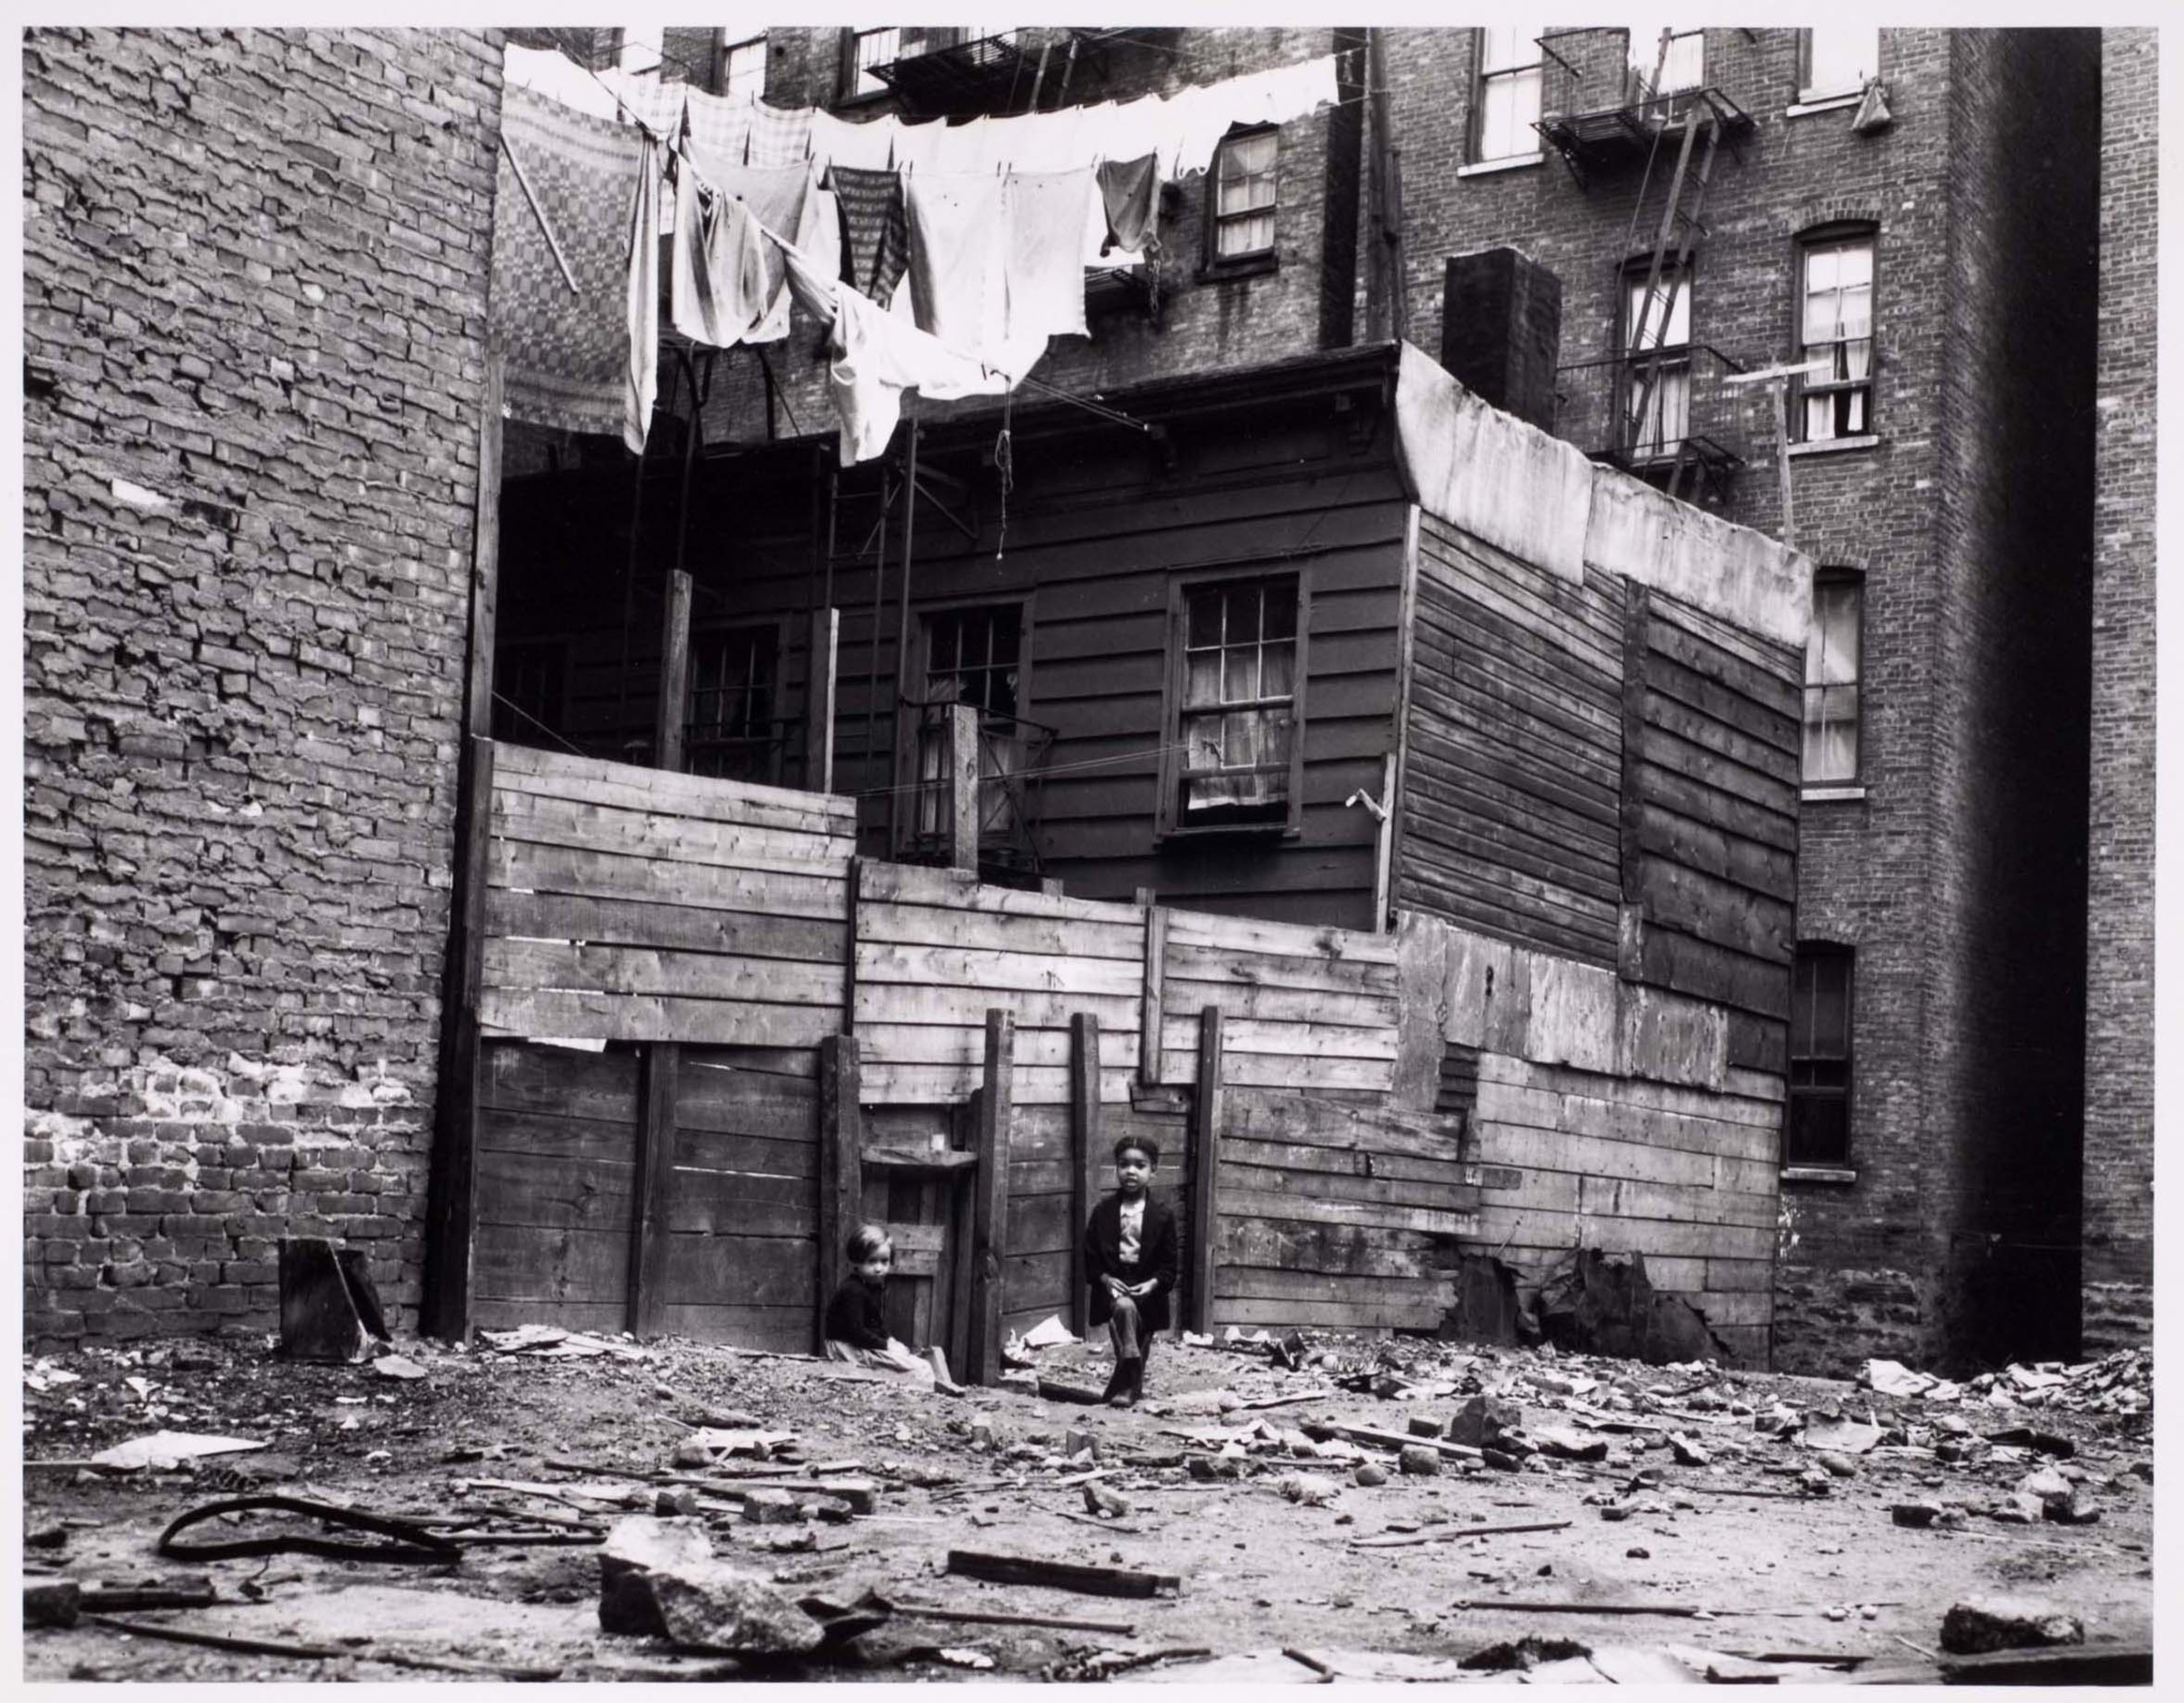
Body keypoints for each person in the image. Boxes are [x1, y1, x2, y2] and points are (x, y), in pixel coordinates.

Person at [1082, 1134, 1178, 1406]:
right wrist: (1106, 1280)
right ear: (1116, 1168)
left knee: (1139, 1331)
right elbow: (1090, 1258)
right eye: (1124, 1165)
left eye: (1140, 1165)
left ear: (1153, 1170)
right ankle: (1131, 1373)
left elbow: (1170, 1265)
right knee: (1124, 1309)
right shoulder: (1103, 1211)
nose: (1131, 1171)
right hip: (1115, 1285)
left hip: (1147, 1288)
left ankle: (1126, 1382)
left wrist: (1153, 1284)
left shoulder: (1163, 1215)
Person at [823, 1224, 959, 1392]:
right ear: (857, 1261)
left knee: (911, 1359)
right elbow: (856, 1332)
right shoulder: (853, 1290)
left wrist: (889, 1340)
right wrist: (886, 1346)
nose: (879, 1268)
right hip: (847, 1346)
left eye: (884, 1261)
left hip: (859, 1342)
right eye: (871, 1261)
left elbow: (875, 1325)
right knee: (920, 1368)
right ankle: (921, 1396)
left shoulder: (871, 1287)